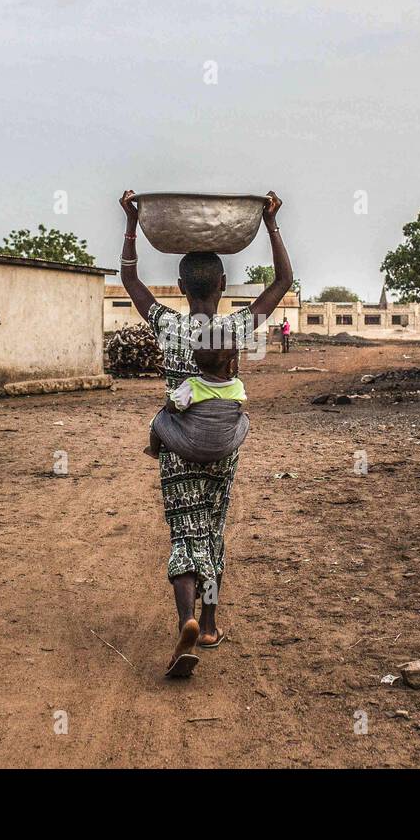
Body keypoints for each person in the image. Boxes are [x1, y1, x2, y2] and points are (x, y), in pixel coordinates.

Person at [119, 188, 293, 678]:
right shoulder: (235, 330)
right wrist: (272, 224)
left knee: (185, 531)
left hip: (176, 447)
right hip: (222, 448)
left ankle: (186, 619)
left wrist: (131, 221)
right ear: (222, 281)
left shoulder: (169, 327)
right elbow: (284, 280)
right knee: (213, 530)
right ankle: (211, 622)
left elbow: (129, 278)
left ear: (179, 284)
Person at [144, 342, 248, 462]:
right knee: (244, 418)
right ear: (232, 364)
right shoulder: (238, 386)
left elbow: (171, 408)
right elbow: (241, 407)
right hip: (223, 449)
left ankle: (154, 450)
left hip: (190, 449)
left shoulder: (192, 385)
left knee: (159, 419)